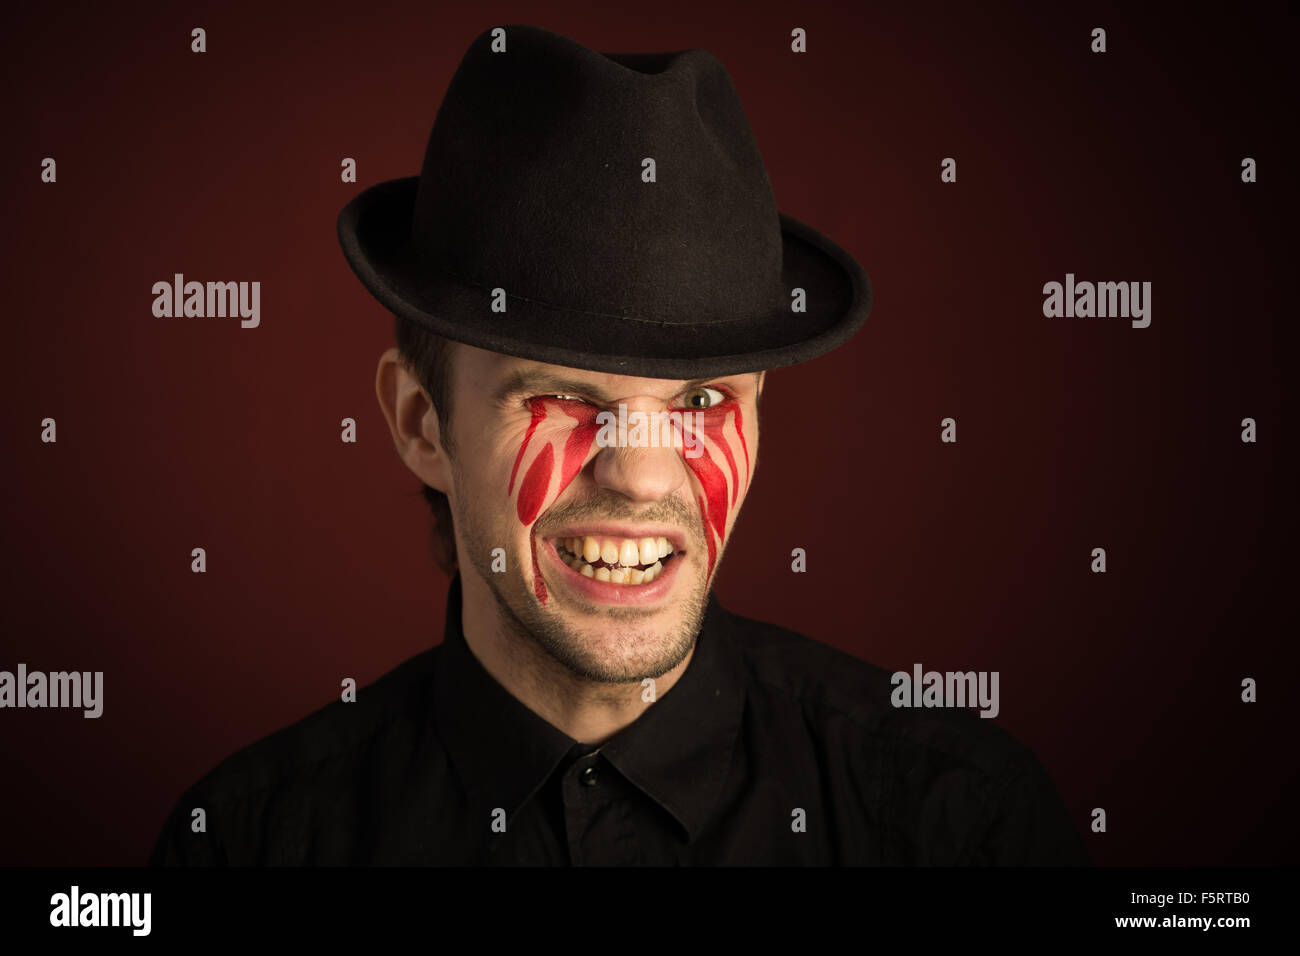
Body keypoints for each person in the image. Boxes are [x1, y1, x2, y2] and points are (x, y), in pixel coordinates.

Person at [149, 24, 1086, 865]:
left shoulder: (959, 828)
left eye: (703, 398)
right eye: (559, 394)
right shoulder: (249, 845)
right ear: (419, 424)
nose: (640, 472)